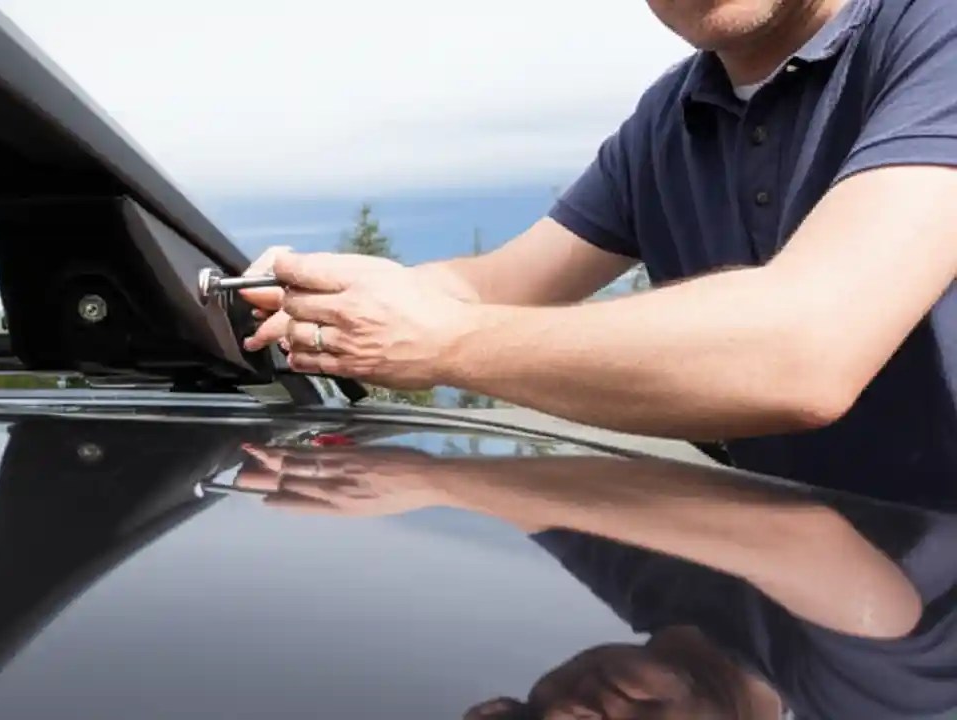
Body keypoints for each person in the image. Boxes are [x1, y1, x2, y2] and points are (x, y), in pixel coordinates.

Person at [238, 0, 957, 506]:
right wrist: (319, 295)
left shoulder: (934, 35)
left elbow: (804, 354)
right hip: (795, 600)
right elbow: (489, 286)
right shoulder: (666, 122)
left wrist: (441, 343)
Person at [236, 443, 957, 719]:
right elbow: (805, 540)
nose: (567, 719)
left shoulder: (645, 589)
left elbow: (538, 493)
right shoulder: (872, 696)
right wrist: (441, 480)